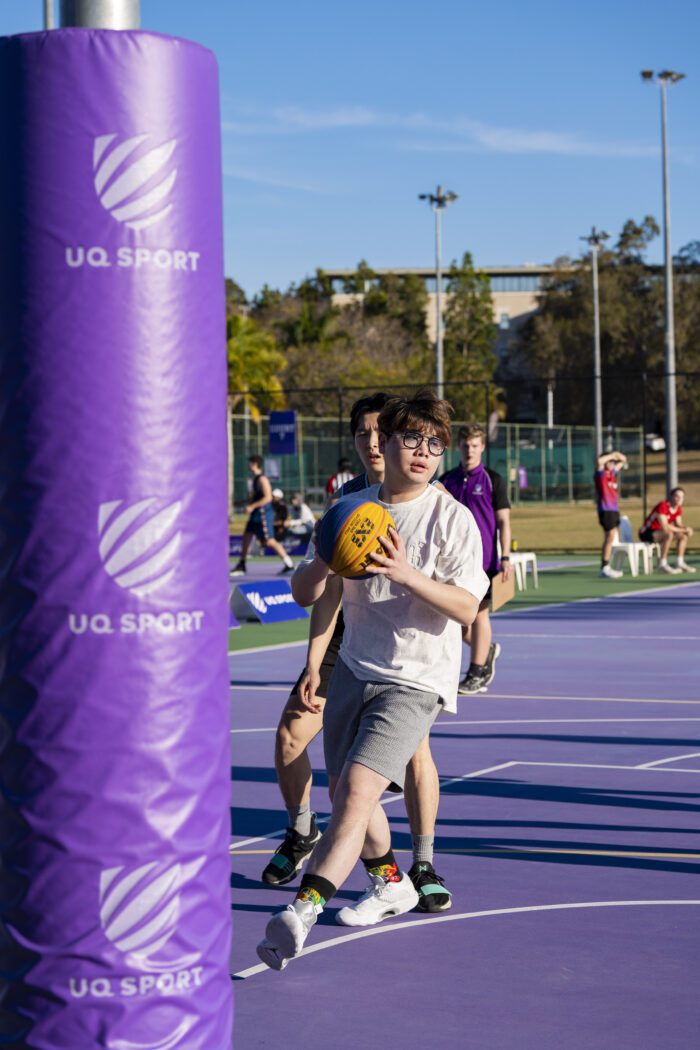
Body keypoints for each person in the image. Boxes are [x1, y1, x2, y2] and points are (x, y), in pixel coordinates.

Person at [256, 390, 487, 971]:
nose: (424, 452)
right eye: (412, 439)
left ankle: (302, 911)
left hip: (416, 680)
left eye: (435, 444)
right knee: (346, 797)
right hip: (356, 668)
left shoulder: (450, 517)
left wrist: (406, 573)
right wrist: (324, 558)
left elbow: (466, 606)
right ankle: (390, 881)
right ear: (385, 441)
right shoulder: (351, 509)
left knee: (359, 792)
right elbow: (307, 593)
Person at [440, 423, 512, 694]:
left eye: (474, 445)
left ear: (482, 447)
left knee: (479, 613)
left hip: (485, 561)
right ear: (458, 447)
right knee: (455, 619)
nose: (469, 450)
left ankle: (477, 671)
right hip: (453, 561)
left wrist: (506, 557)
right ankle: (486, 650)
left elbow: (504, 522)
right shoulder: (447, 480)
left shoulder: (493, 480)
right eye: (465, 445)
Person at [231, 456, 295, 576]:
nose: (248, 465)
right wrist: (240, 503)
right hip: (256, 514)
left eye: (250, 463)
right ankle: (241, 564)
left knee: (269, 541)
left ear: (255, 464)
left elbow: (268, 498)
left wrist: (252, 506)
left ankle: (289, 564)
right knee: (247, 536)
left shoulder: (262, 479)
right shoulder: (254, 479)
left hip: (263, 514)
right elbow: (256, 498)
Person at [639, 487, 695, 574]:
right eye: (677, 496)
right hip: (647, 533)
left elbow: (678, 524)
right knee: (668, 534)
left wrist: (686, 529)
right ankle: (662, 564)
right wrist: (683, 530)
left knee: (683, 536)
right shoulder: (663, 506)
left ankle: (680, 563)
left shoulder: (678, 508)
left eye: (682, 497)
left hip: (661, 533)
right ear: (671, 497)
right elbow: (665, 526)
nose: (680, 499)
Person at [594, 450, 628, 579]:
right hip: (605, 510)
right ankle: (605, 567)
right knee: (610, 536)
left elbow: (623, 460)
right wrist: (610, 456)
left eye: (613, 462)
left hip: (614, 509)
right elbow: (599, 461)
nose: (612, 463)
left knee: (611, 537)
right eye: (610, 461)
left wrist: (616, 454)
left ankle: (606, 566)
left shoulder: (612, 473)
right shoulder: (601, 474)